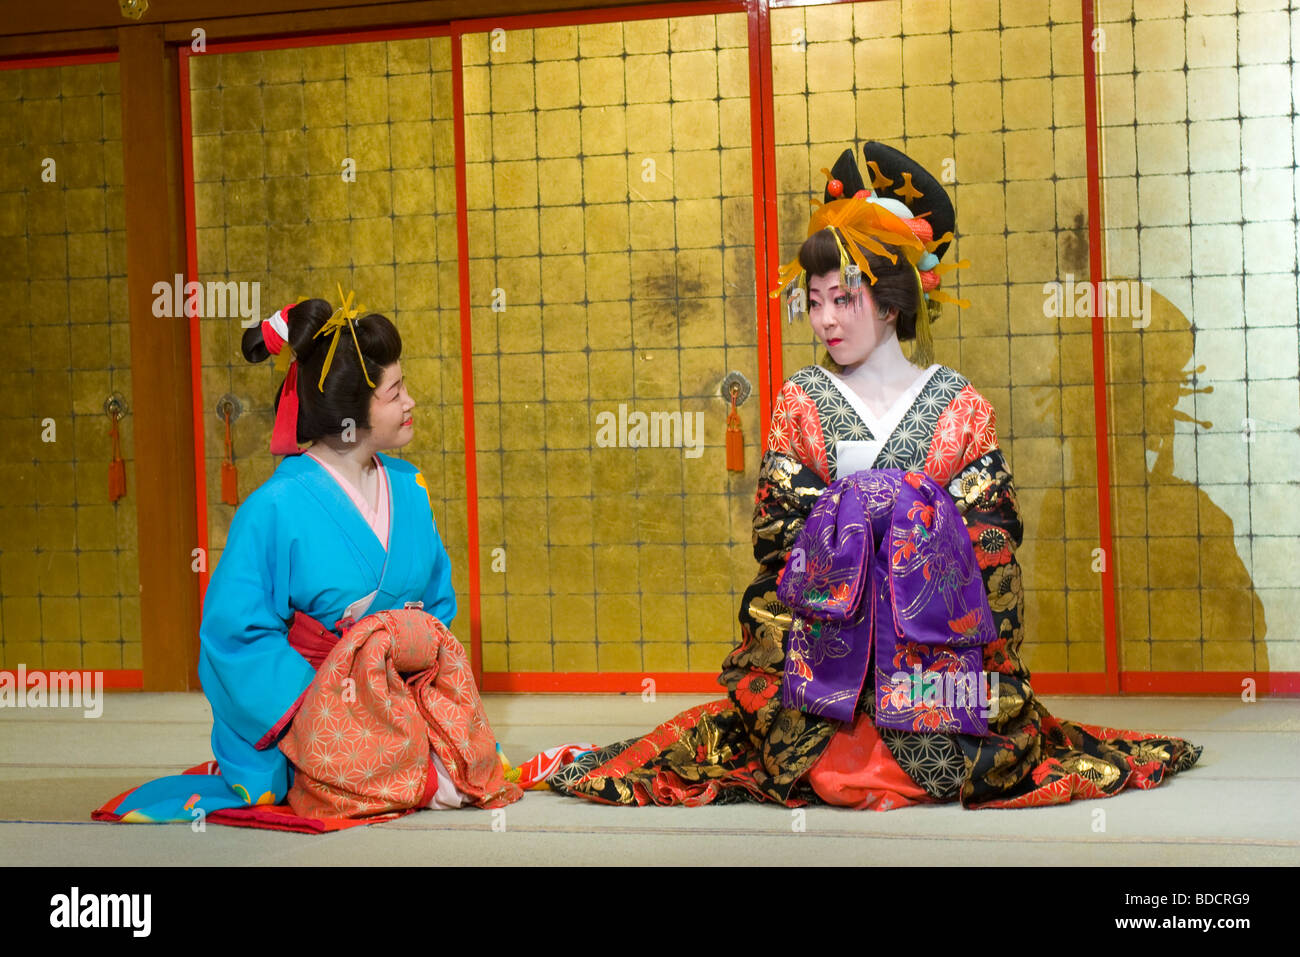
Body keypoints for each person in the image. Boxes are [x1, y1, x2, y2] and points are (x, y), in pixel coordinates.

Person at [545, 143, 1202, 809]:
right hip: (831, 654)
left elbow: (994, 545)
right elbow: (778, 544)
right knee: (797, 737)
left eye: (845, 298)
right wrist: (876, 519)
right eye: (815, 299)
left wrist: (894, 520)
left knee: (983, 729)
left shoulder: (959, 405)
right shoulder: (801, 401)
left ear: (892, 302)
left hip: (933, 655)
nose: (826, 318)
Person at [96, 291, 516, 825]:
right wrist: (324, 703)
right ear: (349, 413)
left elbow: (437, 610)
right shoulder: (275, 508)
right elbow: (235, 634)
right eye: (395, 391)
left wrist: (410, 680)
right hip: (311, 708)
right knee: (416, 780)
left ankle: (408, 759)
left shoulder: (411, 490)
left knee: (472, 771)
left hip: (399, 700)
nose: (410, 402)